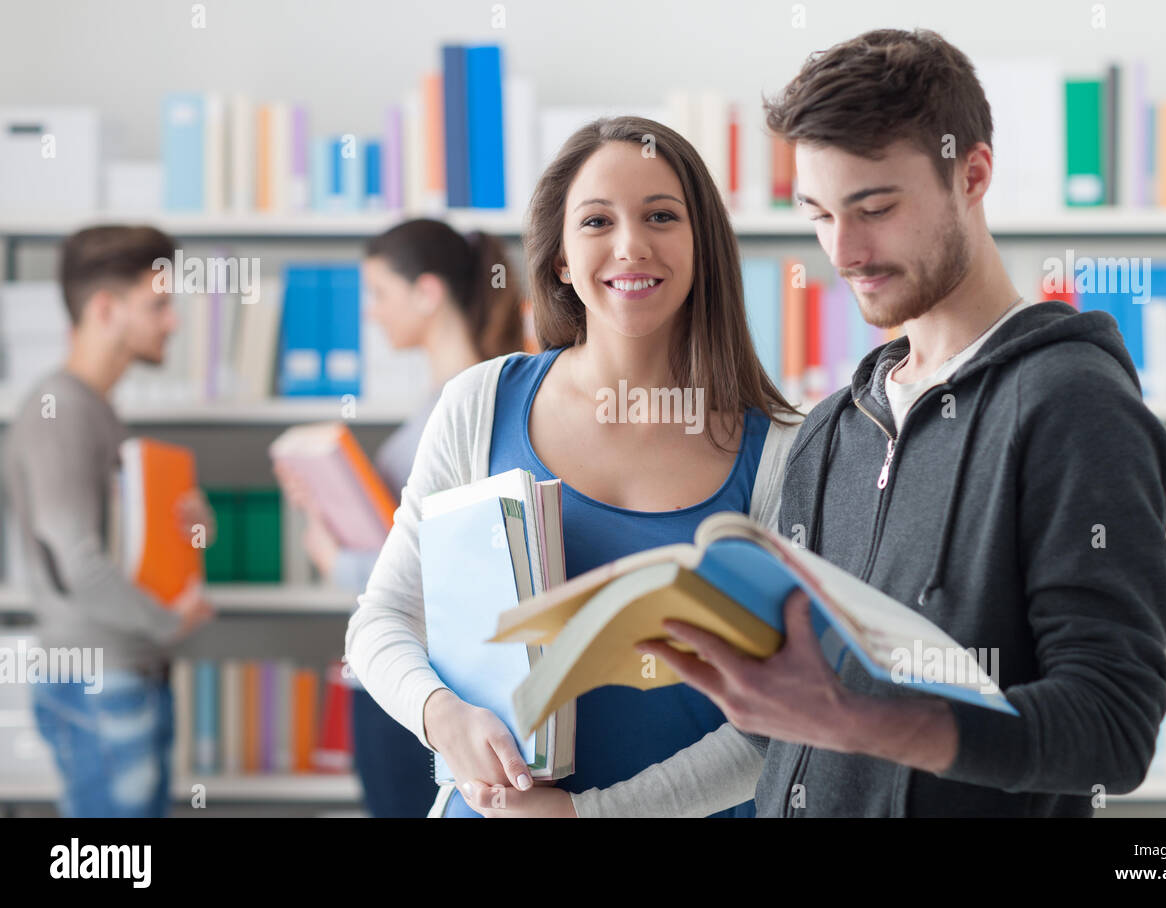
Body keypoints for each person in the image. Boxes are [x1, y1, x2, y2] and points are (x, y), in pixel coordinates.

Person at [542, 28, 1166, 818]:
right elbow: (791, 727)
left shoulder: (1070, 405)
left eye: (874, 207)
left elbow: (1114, 729)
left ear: (971, 174)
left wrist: (863, 721)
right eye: (818, 214)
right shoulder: (833, 429)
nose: (843, 250)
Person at [344, 115, 803, 818]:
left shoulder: (780, 450)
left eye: (660, 215)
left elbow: (775, 720)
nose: (631, 245)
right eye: (596, 221)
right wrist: (444, 719)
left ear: (702, 247)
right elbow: (383, 620)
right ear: (560, 257)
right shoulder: (480, 404)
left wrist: (586, 817)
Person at [274, 219, 523, 818]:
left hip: (431, 684)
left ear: (427, 293)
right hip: (411, 675)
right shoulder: (446, 400)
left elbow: (460, 574)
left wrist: (339, 561)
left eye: (380, 293)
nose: (370, 313)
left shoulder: (466, 407)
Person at [4, 225, 215, 817]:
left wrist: (190, 530)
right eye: (158, 304)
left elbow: (114, 550)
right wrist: (169, 622)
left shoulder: (94, 410)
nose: (172, 322)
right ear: (105, 309)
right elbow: (78, 563)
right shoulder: (61, 409)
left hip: (123, 675)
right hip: (101, 681)